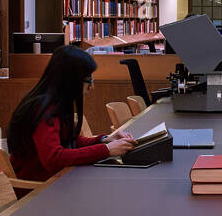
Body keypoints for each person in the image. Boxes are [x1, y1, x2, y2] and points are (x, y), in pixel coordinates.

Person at [7, 44, 135, 180]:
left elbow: (70, 141)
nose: (92, 87)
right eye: (89, 80)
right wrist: (106, 150)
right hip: (41, 189)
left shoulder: (54, 103)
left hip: (57, 180)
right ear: (72, 80)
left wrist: (104, 140)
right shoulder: (44, 110)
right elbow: (53, 159)